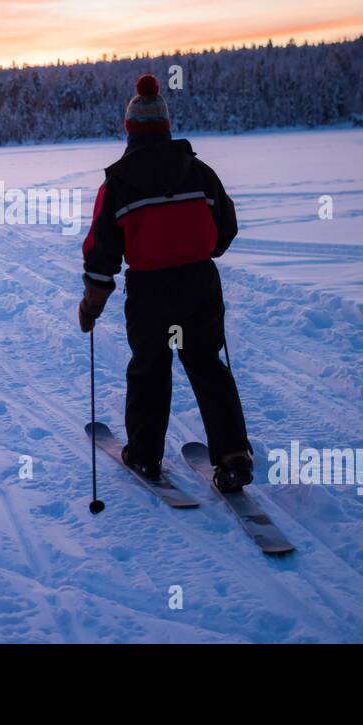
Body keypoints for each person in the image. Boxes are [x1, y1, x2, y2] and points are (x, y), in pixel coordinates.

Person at [78, 73, 254, 491]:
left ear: (130, 129)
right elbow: (225, 229)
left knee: (150, 368)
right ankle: (233, 456)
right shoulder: (200, 172)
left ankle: (144, 454)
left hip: (151, 291)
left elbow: (102, 254)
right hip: (199, 284)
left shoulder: (117, 183)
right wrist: (195, 250)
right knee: (208, 365)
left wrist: (91, 306)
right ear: (166, 126)